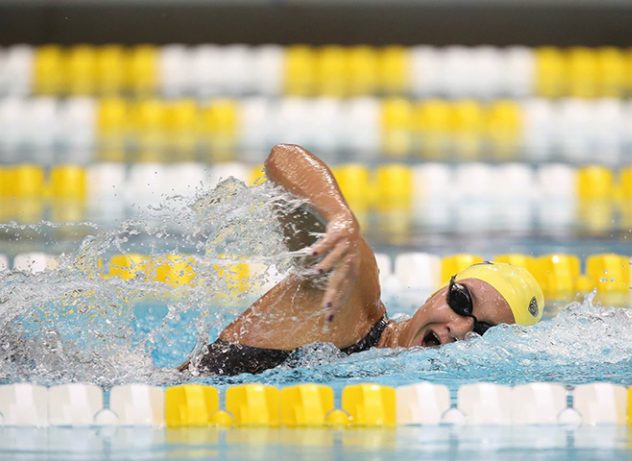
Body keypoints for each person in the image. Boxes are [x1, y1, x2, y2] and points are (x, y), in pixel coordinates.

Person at [180, 144, 544, 375]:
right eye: (461, 301)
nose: (461, 329)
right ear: (438, 292)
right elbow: (283, 158)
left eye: (483, 332)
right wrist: (340, 217)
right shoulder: (351, 301)